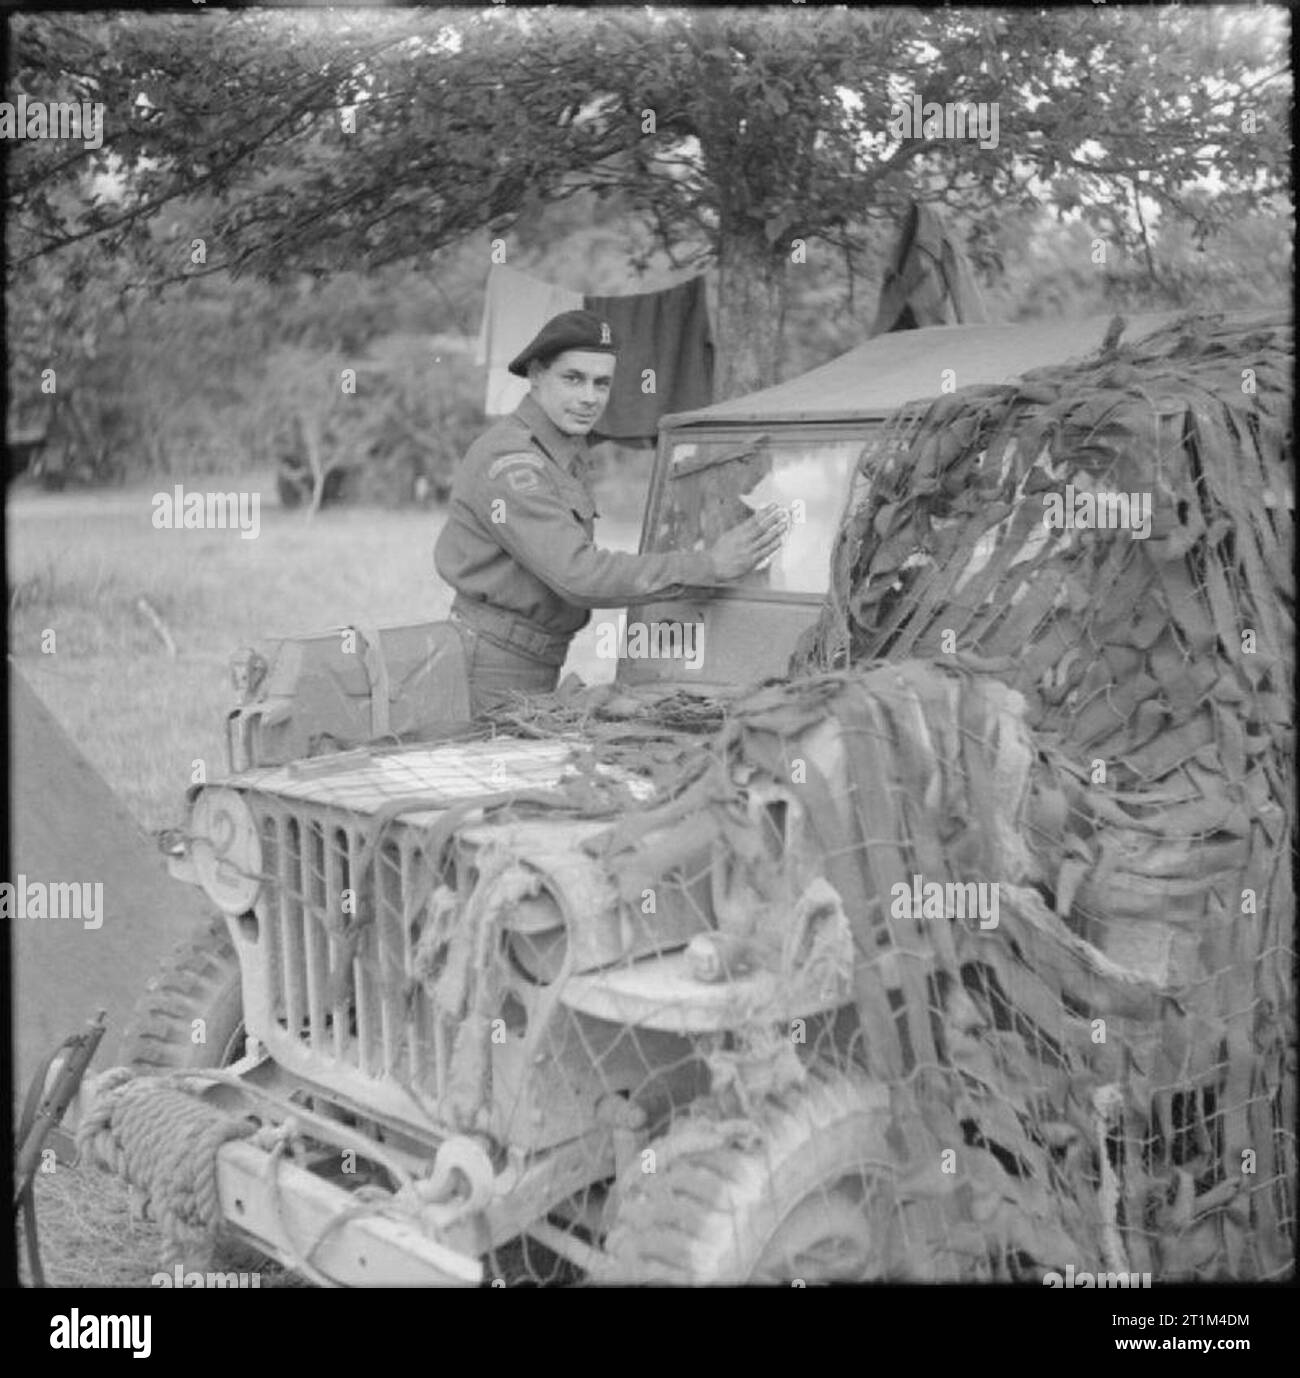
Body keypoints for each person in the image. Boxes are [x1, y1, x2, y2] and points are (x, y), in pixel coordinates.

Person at [435, 308, 788, 716]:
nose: (589, 398)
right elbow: (579, 575)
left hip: (530, 657)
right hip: (492, 665)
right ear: (535, 374)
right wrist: (709, 565)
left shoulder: (561, 450)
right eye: (573, 379)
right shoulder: (513, 462)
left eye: (601, 384)